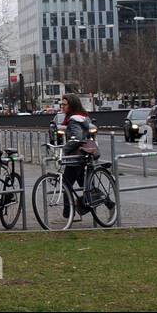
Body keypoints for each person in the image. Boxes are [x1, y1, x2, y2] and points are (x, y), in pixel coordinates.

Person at [59, 93, 98, 222]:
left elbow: (77, 138)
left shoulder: (74, 120)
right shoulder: (83, 117)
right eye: (62, 104)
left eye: (64, 104)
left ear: (72, 105)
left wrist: (64, 149)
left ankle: (68, 215)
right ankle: (109, 204)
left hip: (75, 157)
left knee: (66, 184)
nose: (62, 107)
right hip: (83, 156)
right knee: (86, 186)